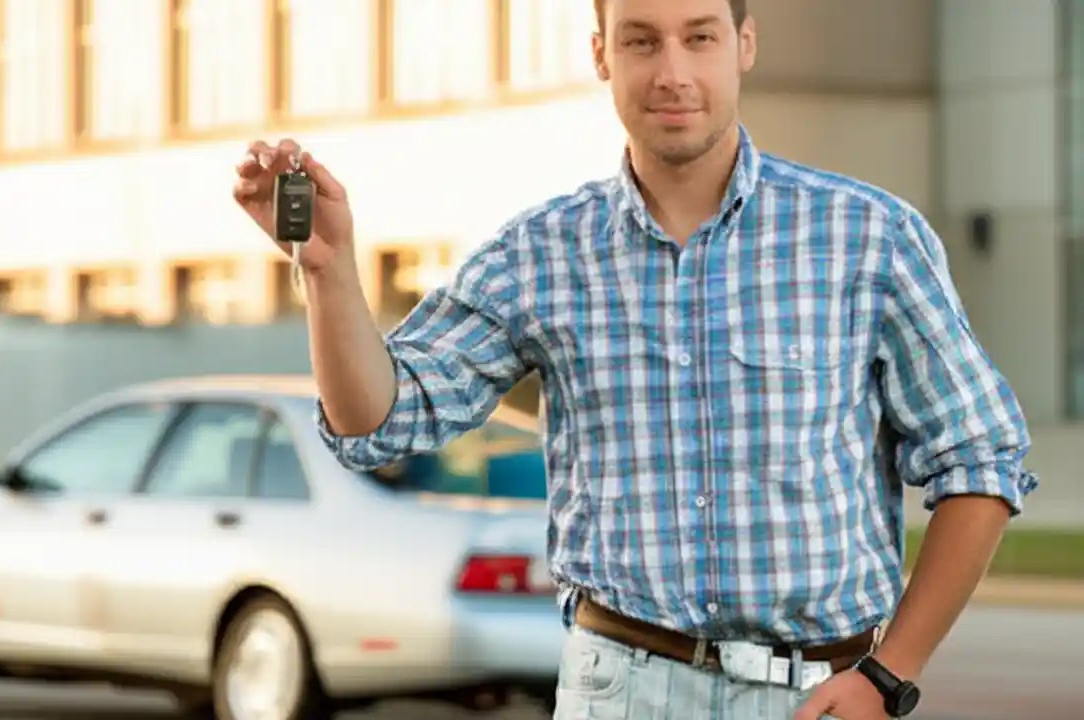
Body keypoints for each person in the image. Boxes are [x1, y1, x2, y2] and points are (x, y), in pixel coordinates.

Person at [232, 0, 1039, 717]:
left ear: (744, 44)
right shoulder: (540, 254)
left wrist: (889, 676)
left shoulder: (867, 237)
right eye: (642, 41)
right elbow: (380, 423)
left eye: (699, 38)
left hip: (821, 696)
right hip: (617, 690)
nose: (673, 73)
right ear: (601, 56)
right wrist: (328, 269)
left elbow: (982, 460)